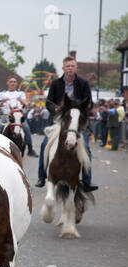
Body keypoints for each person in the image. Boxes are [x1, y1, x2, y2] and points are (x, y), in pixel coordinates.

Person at [35, 56, 98, 192]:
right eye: (67, 66)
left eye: (72, 66)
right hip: (59, 121)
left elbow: (90, 103)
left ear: (76, 68)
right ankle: (41, 176)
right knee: (44, 144)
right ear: (63, 68)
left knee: (86, 147)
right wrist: (55, 108)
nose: (70, 68)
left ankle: (87, 181)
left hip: (77, 123)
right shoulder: (56, 84)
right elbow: (48, 102)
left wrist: (82, 108)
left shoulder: (83, 84)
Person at [0, 77, 38, 157]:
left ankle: (30, 149)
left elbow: (26, 104)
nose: (13, 83)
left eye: (14, 82)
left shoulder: (21, 93)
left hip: (18, 115)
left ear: (17, 84)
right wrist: (3, 101)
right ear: (7, 83)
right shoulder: (2, 94)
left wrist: (22, 101)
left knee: (26, 128)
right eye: (11, 81)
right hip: (7, 115)